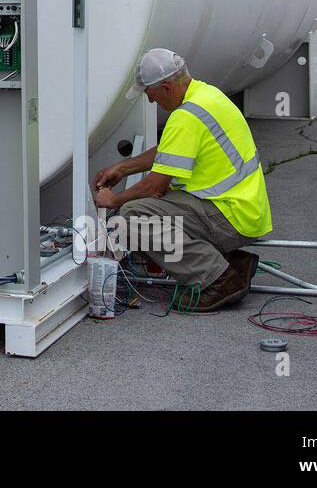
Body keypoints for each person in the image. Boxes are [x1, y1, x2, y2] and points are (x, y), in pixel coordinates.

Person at [93, 49, 271, 312]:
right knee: (153, 207)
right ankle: (233, 263)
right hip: (245, 210)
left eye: (149, 93)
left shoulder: (185, 117)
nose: (151, 101)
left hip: (229, 216)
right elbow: (170, 151)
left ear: (165, 87)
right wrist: (122, 168)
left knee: (132, 215)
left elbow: (155, 186)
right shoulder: (206, 95)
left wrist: (113, 200)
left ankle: (218, 279)